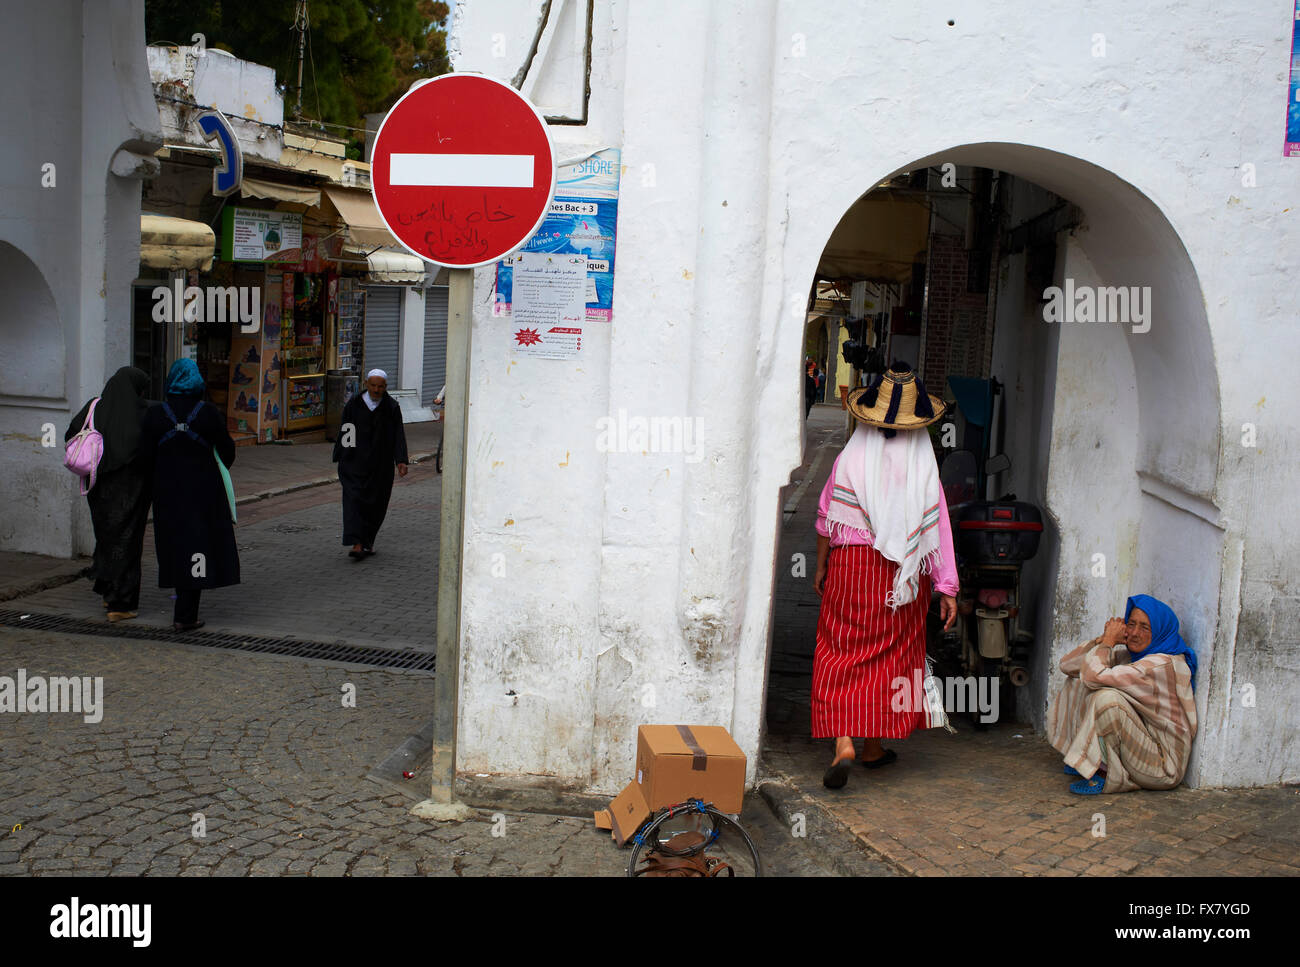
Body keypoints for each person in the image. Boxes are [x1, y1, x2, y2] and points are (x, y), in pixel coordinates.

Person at [812, 362, 959, 789]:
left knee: (838, 651)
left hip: (851, 569)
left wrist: (821, 566)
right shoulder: (923, 468)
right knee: (890, 658)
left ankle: (845, 742)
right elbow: (938, 528)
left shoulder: (849, 459)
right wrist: (947, 587)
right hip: (903, 576)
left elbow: (826, 518)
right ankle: (874, 746)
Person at [1047, 594, 1198, 795]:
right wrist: (1102, 640)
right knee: (1078, 680)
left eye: (1145, 628)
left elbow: (1094, 676)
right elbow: (1068, 666)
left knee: (1107, 699)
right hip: (1142, 751)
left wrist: (1108, 643)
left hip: (1163, 768)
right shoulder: (1134, 657)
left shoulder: (1160, 665)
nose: (1135, 633)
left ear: (1160, 631)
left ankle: (1103, 773)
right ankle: (1084, 758)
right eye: (1131, 624)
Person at [141, 358, 239, 631]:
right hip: (202, 493)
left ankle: (182, 608)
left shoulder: (155, 414)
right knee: (198, 546)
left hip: (167, 494)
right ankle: (186, 614)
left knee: (175, 546)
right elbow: (227, 450)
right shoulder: (208, 413)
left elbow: (144, 455)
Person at [65, 367, 153, 622]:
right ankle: (121, 603)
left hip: (100, 486)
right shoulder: (143, 411)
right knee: (127, 543)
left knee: (106, 539)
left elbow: (71, 433)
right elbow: (150, 448)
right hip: (133, 489)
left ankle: (107, 590)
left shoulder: (95, 406)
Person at [333, 368, 408, 559]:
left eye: (380, 387)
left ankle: (368, 541)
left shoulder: (391, 407)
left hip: (380, 466)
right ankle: (357, 543)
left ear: (385, 387)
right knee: (354, 501)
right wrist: (343, 455)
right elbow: (346, 429)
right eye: (373, 386)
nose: (376, 390)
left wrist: (400, 460)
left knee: (377, 503)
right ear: (366, 384)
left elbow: (398, 434)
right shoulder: (355, 404)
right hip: (355, 463)